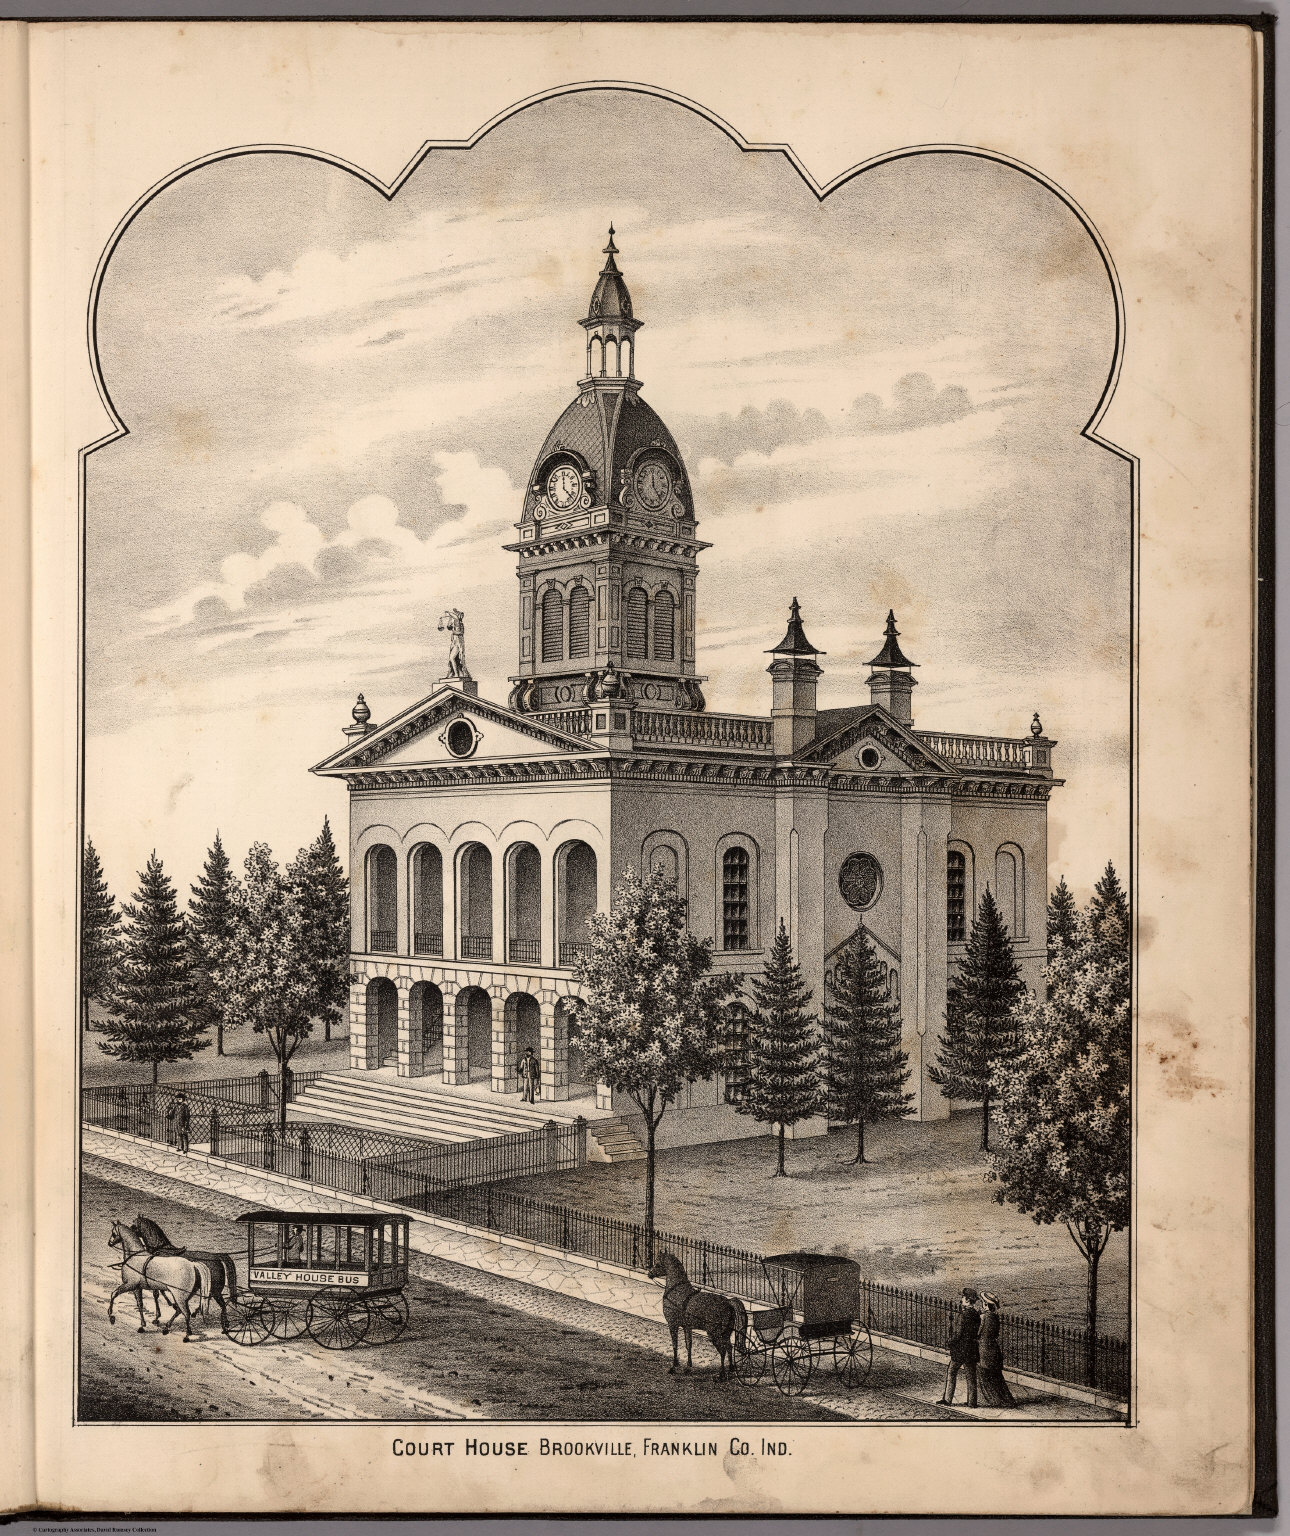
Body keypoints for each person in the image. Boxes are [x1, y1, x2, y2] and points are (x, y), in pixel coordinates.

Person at [939, 1288, 980, 1407]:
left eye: (963, 1297)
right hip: (971, 1349)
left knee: (952, 1372)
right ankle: (972, 1402)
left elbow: (958, 1334)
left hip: (961, 1349)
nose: (961, 1299)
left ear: (967, 1300)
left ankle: (947, 1399)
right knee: (971, 1376)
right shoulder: (976, 1315)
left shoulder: (964, 1315)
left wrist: (950, 1342)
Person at [977, 1292, 1017, 1407]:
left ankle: (994, 1401)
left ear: (986, 1304)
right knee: (997, 1377)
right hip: (994, 1349)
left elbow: (978, 1333)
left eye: (983, 1303)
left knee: (985, 1376)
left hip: (984, 1349)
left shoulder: (984, 1317)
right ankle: (1006, 1400)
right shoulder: (995, 1317)